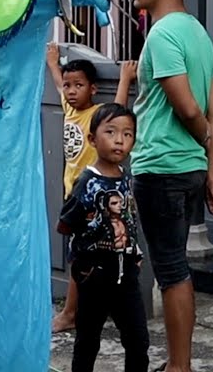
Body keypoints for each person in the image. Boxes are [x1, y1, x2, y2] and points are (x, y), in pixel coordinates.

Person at [127, 0, 213, 372]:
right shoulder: (198, 32)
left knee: (171, 270)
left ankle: (178, 366)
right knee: (176, 266)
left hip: (163, 167)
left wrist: (205, 146)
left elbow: (189, 109)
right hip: (188, 170)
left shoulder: (164, 34)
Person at [46, 46, 136, 333]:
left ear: (93, 89)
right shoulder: (69, 106)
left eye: (79, 86)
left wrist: (124, 79)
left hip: (94, 198)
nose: (71, 91)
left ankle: (72, 312)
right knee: (80, 256)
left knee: (83, 257)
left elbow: (117, 111)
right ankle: (77, 310)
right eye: (69, 86)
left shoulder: (97, 115)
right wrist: (52, 63)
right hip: (73, 194)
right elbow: (60, 83)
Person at [57, 103, 148, 372]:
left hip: (126, 273)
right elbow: (66, 224)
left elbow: (130, 219)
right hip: (94, 274)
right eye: (111, 132)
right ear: (92, 139)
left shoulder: (126, 177)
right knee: (88, 338)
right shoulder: (87, 182)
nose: (120, 140)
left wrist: (136, 252)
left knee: (137, 338)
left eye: (128, 134)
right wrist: (82, 261)